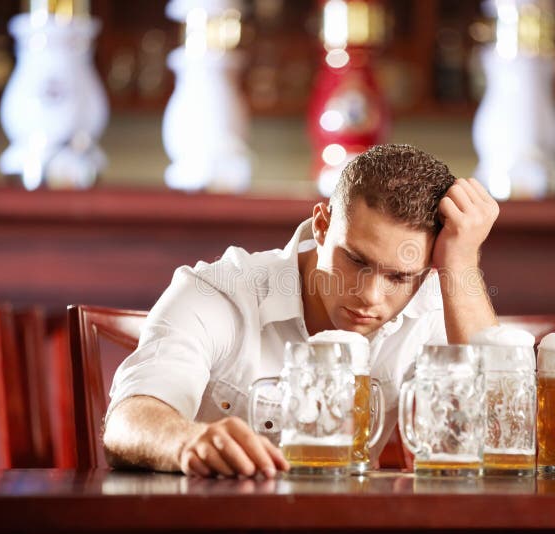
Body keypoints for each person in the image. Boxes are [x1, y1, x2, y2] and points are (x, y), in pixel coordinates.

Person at [103, 144, 499, 478]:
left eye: (399, 277)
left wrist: (461, 262)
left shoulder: (430, 309)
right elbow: (128, 421)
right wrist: (185, 441)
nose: (370, 296)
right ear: (322, 226)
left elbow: (496, 437)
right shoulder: (220, 292)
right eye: (356, 260)